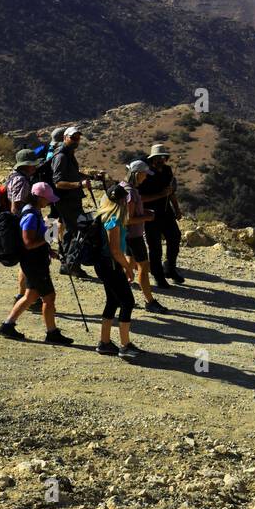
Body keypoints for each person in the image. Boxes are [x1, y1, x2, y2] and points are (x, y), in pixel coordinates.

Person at [0, 183, 73, 345]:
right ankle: (52, 333)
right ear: (39, 197)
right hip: (34, 264)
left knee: (30, 296)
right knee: (49, 298)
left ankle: (7, 325)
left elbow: (35, 241)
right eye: (47, 199)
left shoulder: (34, 211)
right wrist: (48, 237)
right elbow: (28, 243)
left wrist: (48, 250)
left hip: (35, 262)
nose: (49, 202)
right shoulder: (31, 216)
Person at [94, 183, 144, 359]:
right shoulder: (113, 220)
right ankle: (125, 345)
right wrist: (128, 267)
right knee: (127, 302)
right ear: (122, 201)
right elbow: (115, 250)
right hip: (111, 265)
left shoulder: (104, 215)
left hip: (105, 264)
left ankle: (105, 342)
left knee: (113, 301)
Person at [51, 126, 100, 278]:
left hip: (71, 200)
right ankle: (73, 266)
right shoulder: (62, 156)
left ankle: (67, 264)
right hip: (67, 200)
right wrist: (80, 184)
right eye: (73, 138)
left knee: (69, 233)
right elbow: (58, 182)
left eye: (78, 138)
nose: (76, 141)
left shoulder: (68, 154)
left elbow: (73, 173)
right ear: (65, 137)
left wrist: (90, 177)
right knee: (78, 232)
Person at [122, 160, 167, 313]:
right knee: (143, 267)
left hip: (126, 235)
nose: (145, 178)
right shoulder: (131, 192)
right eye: (144, 175)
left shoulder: (123, 187)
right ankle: (150, 301)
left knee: (129, 265)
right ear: (137, 174)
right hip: (134, 236)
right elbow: (128, 219)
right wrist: (147, 218)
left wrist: (143, 213)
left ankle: (123, 298)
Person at [141, 144, 183, 287]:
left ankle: (170, 268)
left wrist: (177, 209)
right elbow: (140, 198)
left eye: (164, 158)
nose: (162, 160)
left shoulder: (167, 170)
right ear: (153, 158)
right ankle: (158, 276)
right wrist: (160, 194)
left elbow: (170, 191)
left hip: (166, 212)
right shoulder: (144, 173)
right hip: (150, 215)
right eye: (159, 158)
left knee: (175, 237)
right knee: (155, 247)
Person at [6, 149, 39, 310]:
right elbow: (16, 205)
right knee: (27, 264)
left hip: (20, 224)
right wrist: (23, 223)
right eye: (32, 165)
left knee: (25, 264)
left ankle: (26, 295)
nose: (35, 168)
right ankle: (24, 296)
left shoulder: (13, 176)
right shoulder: (22, 181)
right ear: (26, 166)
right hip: (22, 225)